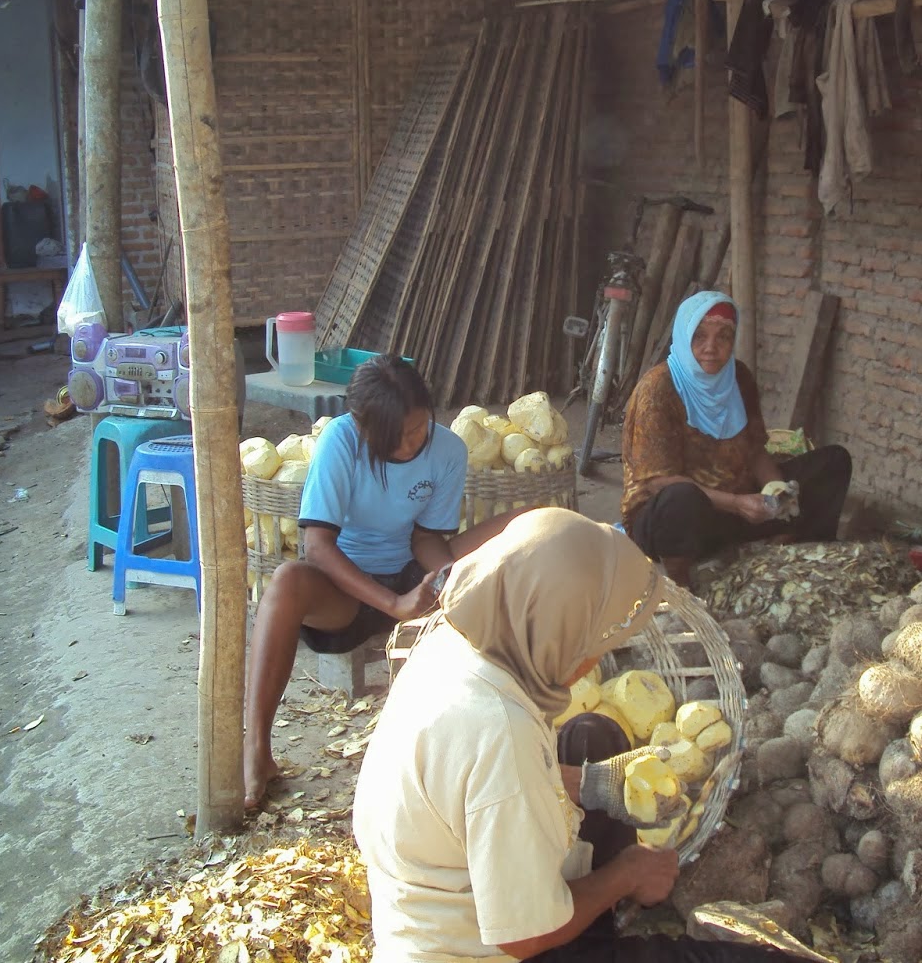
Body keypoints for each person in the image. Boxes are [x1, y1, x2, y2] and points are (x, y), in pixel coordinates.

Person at [353, 508, 800, 962]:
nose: (593, 660)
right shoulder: (499, 731)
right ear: (558, 635)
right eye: (595, 643)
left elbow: (472, 790)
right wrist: (626, 875)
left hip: (434, 903)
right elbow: (523, 936)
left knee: (592, 734)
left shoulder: (463, 639)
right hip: (488, 950)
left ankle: (600, 917)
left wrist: (579, 783)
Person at [244, 355, 520, 809]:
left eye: (419, 429)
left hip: (412, 572)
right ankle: (257, 748)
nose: (413, 444)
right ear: (364, 426)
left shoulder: (448, 450)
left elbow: (427, 537)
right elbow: (318, 546)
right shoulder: (340, 440)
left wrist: (442, 579)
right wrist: (393, 603)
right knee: (287, 580)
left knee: (523, 521)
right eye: (399, 437)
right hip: (347, 589)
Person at [620, 290, 853, 589]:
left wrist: (776, 490)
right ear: (683, 336)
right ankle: (682, 582)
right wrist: (736, 503)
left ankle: (796, 558)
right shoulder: (658, 389)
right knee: (681, 497)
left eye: (723, 337)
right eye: (699, 336)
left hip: (736, 506)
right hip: (675, 519)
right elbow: (658, 481)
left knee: (833, 462)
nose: (711, 348)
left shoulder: (738, 378)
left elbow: (754, 451)